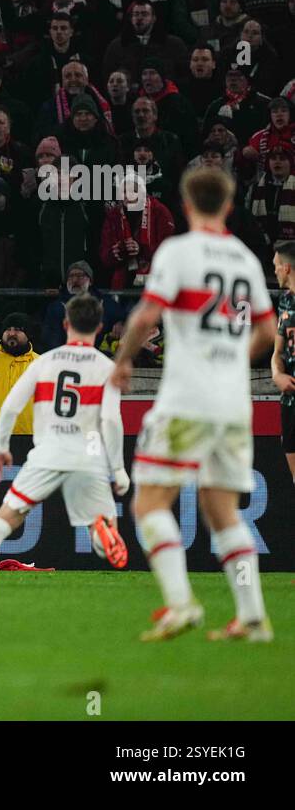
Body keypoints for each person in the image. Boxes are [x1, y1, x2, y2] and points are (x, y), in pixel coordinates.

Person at [111, 167, 276, 642]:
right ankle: (251, 616)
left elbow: (147, 314)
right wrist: (230, 362)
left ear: (185, 206)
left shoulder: (178, 252)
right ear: (228, 206)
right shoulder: (245, 259)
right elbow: (266, 332)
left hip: (186, 398)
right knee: (223, 511)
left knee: (149, 502)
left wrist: (122, 361)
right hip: (232, 403)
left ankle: (181, 604)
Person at [0, 293, 131, 589]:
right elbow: (111, 420)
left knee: (5, 518)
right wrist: (119, 469)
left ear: (65, 323)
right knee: (103, 541)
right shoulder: (106, 368)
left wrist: (0, 448)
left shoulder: (46, 362)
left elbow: (9, 407)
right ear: (99, 328)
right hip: (88, 454)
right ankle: (99, 528)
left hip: (48, 452)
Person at [270, 241, 295, 486]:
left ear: (287, 268)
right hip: (290, 401)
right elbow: (277, 351)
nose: (274, 270)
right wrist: (277, 373)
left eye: (276, 266)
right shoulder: (285, 301)